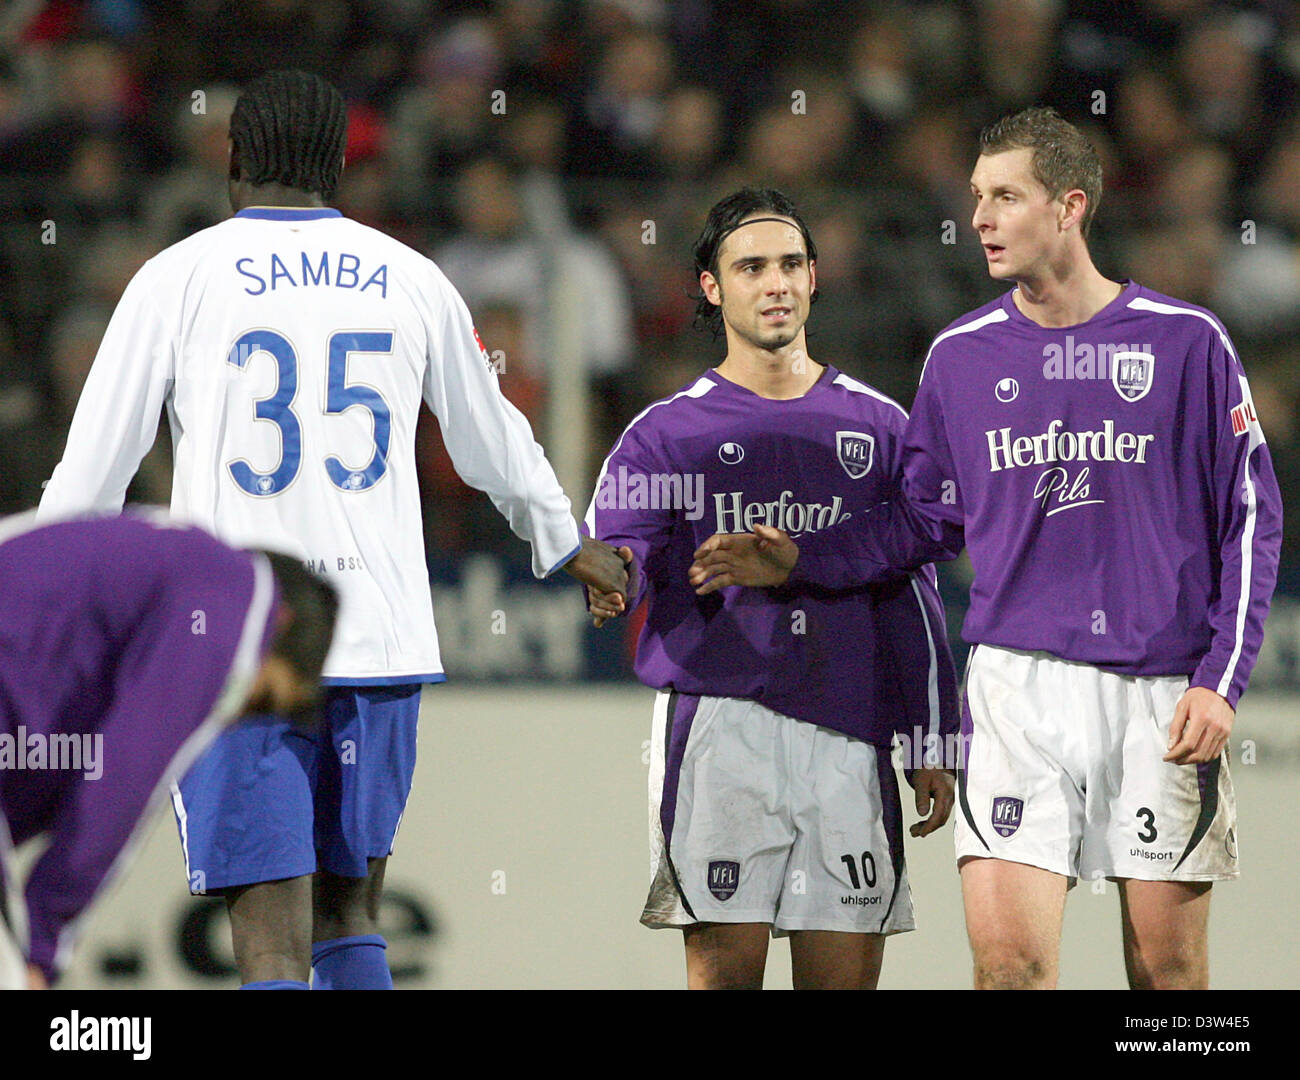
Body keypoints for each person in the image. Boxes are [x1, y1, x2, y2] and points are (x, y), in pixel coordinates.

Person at [37, 70, 628, 990]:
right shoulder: (412, 278)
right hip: (381, 638)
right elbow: (492, 438)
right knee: (349, 916)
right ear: (340, 165)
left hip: (242, 652)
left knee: (270, 941)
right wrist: (566, 540)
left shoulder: (174, 279)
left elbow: (91, 472)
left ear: (234, 158)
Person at [689, 108, 1283, 990]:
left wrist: (1218, 679)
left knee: (1168, 975)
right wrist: (804, 559)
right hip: (1011, 694)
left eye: (1005, 196)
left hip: (1159, 690)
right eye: (976, 197)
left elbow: (1250, 514)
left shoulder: (1185, 342)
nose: (980, 218)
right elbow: (924, 523)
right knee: (1007, 967)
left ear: (1069, 207)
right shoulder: (961, 356)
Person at [585, 189, 959, 990]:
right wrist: (611, 578)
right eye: (750, 267)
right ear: (713, 288)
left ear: (816, 278)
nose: (775, 282)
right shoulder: (664, 434)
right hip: (724, 728)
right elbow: (625, 546)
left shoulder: (883, 426)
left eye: (790, 264)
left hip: (851, 732)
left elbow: (916, 590)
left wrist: (933, 736)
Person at [0, 512, 338, 990]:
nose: (237, 715)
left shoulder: (175, 561)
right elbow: (123, 778)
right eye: (261, 700)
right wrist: (42, 942)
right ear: (282, 620)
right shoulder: (234, 597)